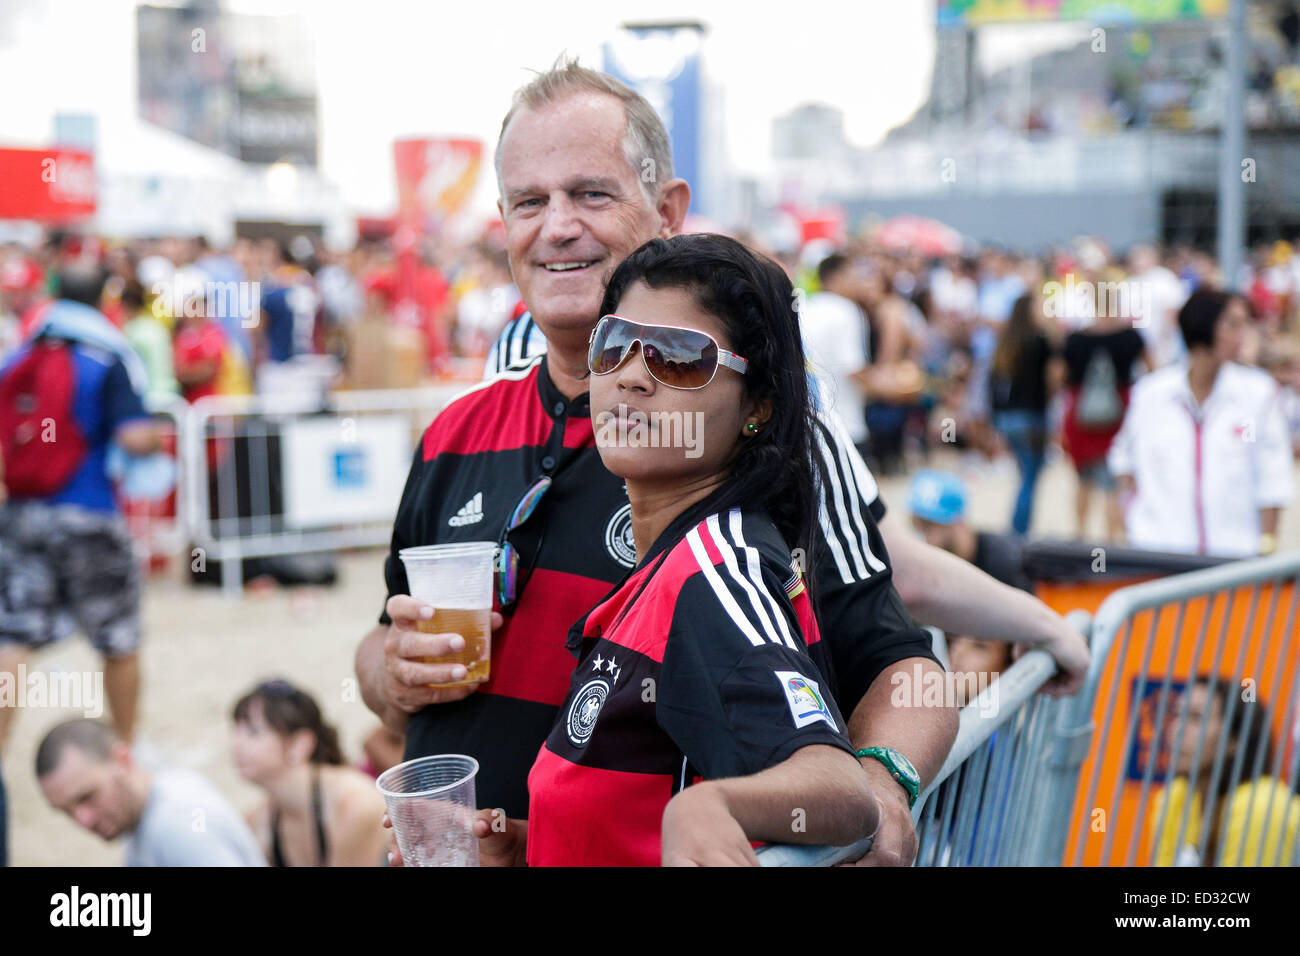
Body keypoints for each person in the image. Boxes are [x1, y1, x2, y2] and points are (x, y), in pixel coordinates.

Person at [358, 58, 964, 869]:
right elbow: (376, 648)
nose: (557, 225)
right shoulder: (456, 432)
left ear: (669, 209)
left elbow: (898, 661)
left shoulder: (760, 444)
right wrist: (389, 672)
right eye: (529, 202)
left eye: (591, 193)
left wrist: (882, 787)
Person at [479, 234, 881, 865]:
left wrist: (710, 808)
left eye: (680, 358)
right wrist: (529, 846)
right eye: (613, 346)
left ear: (758, 407)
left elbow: (844, 791)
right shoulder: (671, 563)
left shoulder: (715, 570)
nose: (633, 377)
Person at [0, 300, 163, 753]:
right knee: (118, 637)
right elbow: (134, 436)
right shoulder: (106, 360)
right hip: (88, 512)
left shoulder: (17, 359)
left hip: (20, 513)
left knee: (11, 638)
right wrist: (154, 440)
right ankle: (127, 745)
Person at [1108, 289, 1294, 557]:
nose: (1242, 335)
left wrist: (1266, 544)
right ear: (1203, 325)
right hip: (1159, 554)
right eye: (1232, 324)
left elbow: (1272, 474)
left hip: (1233, 558)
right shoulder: (1152, 394)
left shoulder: (1258, 395)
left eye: (1244, 324)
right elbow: (1124, 459)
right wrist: (1131, 519)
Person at [36, 718, 266, 866]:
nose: (83, 820)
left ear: (123, 760)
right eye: (66, 811)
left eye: (87, 797)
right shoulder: (142, 809)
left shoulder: (179, 828)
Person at [231, 679, 389, 867]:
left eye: (253, 732)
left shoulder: (356, 803)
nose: (236, 744)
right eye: (236, 730)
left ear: (300, 745)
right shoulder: (259, 822)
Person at [1151, 678, 1300, 866]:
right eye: (1176, 714)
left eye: (1196, 718)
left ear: (1235, 739)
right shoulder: (1175, 798)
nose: (1177, 730)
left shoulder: (1262, 804)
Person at [1060, 305, 1150, 540]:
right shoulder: (1130, 337)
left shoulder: (1076, 339)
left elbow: (1058, 376)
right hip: (1120, 411)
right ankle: (1111, 538)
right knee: (1113, 482)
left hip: (1081, 412)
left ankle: (1080, 533)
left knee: (1083, 479)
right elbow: (1152, 368)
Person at [989, 292, 1062, 536]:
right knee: (1030, 476)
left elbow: (994, 382)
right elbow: (1053, 379)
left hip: (1008, 416)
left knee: (1024, 473)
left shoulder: (1006, 341)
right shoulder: (1040, 340)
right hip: (1031, 416)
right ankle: (1019, 532)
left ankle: (1018, 529)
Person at [798, 252, 870, 446]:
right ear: (836, 278)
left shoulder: (806, 306)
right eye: (855, 275)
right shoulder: (846, 309)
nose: (860, 281)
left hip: (810, 424)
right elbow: (853, 368)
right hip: (846, 425)